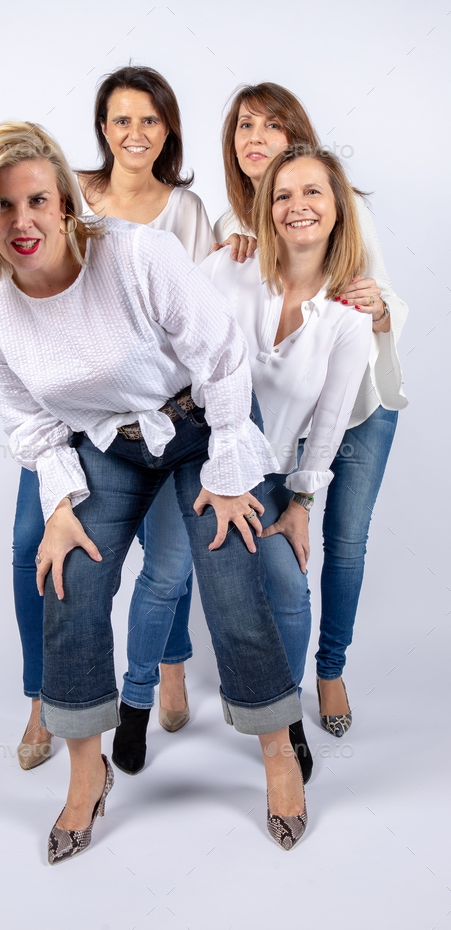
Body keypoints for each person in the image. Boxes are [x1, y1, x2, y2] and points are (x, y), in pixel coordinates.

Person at [0, 121, 309, 857]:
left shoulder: (136, 255)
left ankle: (278, 751)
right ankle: (88, 775)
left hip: (202, 421)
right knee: (70, 576)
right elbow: (30, 423)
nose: (21, 222)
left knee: (229, 566)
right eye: (1, 206)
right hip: (109, 444)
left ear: (64, 202)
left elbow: (222, 357)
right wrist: (60, 507)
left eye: (36, 201)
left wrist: (226, 473)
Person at [11, 66, 214, 776]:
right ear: (102, 126)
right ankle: (43, 697)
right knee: (34, 545)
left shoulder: (186, 211)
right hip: (67, 406)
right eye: (121, 119)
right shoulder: (68, 191)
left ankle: (170, 665)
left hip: (147, 409)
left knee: (166, 551)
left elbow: (199, 315)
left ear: (168, 129)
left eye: (150, 120)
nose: (135, 133)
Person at [214, 83, 408, 738]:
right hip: (288, 411)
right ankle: (272, 685)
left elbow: (383, 297)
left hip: (359, 405)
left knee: (344, 539)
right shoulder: (232, 223)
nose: (257, 138)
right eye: (245, 125)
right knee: (286, 538)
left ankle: (330, 669)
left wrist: (377, 309)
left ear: (294, 134)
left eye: (272, 125)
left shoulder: (335, 199)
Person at [203, 147, 372, 779]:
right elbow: (167, 341)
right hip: (200, 458)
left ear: (338, 208)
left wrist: (301, 503)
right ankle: (150, 692)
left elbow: (328, 423)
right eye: (282, 195)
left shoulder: (348, 317)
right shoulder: (228, 269)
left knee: (291, 590)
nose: (297, 206)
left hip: (271, 471)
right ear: (266, 211)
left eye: (313, 193)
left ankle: (286, 713)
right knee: (172, 575)